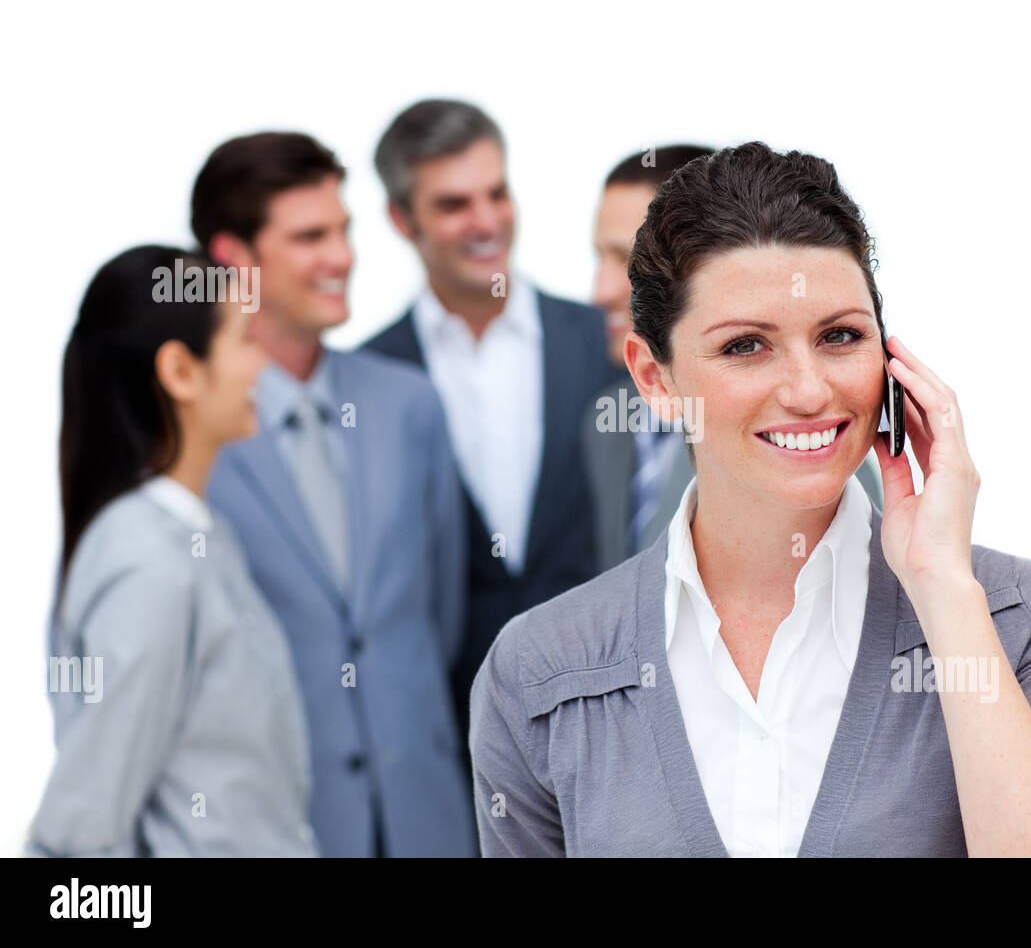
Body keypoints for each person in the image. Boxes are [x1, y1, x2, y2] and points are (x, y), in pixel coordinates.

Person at [469, 142, 1031, 857]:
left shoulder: (1020, 620)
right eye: (745, 347)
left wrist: (944, 592)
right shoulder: (540, 673)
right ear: (655, 378)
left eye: (840, 336)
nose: (808, 390)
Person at [197, 132, 474, 857]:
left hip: (430, 821)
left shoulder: (408, 404)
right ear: (236, 258)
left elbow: (438, 616)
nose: (342, 257)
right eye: (310, 236)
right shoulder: (193, 435)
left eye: (344, 231)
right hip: (280, 826)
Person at [28, 245, 318, 857]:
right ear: (181, 372)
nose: (260, 367)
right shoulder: (148, 562)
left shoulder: (198, 533)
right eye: (244, 340)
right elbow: (78, 836)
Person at [363, 100, 621, 755]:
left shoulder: (605, 343)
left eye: (497, 194)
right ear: (402, 219)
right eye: (453, 204)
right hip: (448, 741)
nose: (486, 222)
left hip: (611, 720)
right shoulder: (369, 378)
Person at [582, 145, 885, 573]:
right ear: (653, 376)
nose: (601, 290)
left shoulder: (822, 458)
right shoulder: (605, 422)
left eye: (627, 261)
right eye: (745, 345)